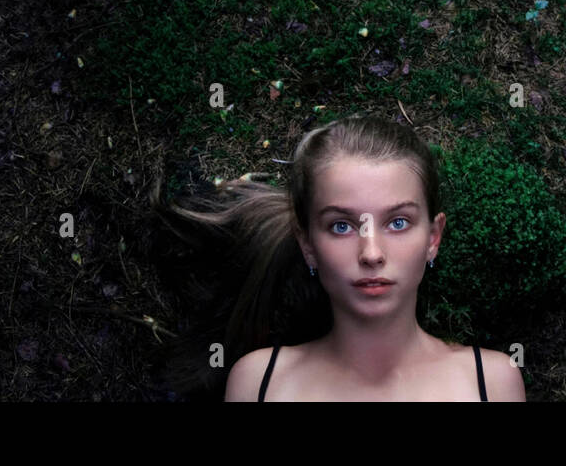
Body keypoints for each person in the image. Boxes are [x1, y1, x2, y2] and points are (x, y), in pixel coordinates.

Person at [212, 114, 525, 401]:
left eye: (398, 222)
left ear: (433, 238)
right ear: (308, 244)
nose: (371, 253)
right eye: (342, 226)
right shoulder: (257, 384)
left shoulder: (494, 383)